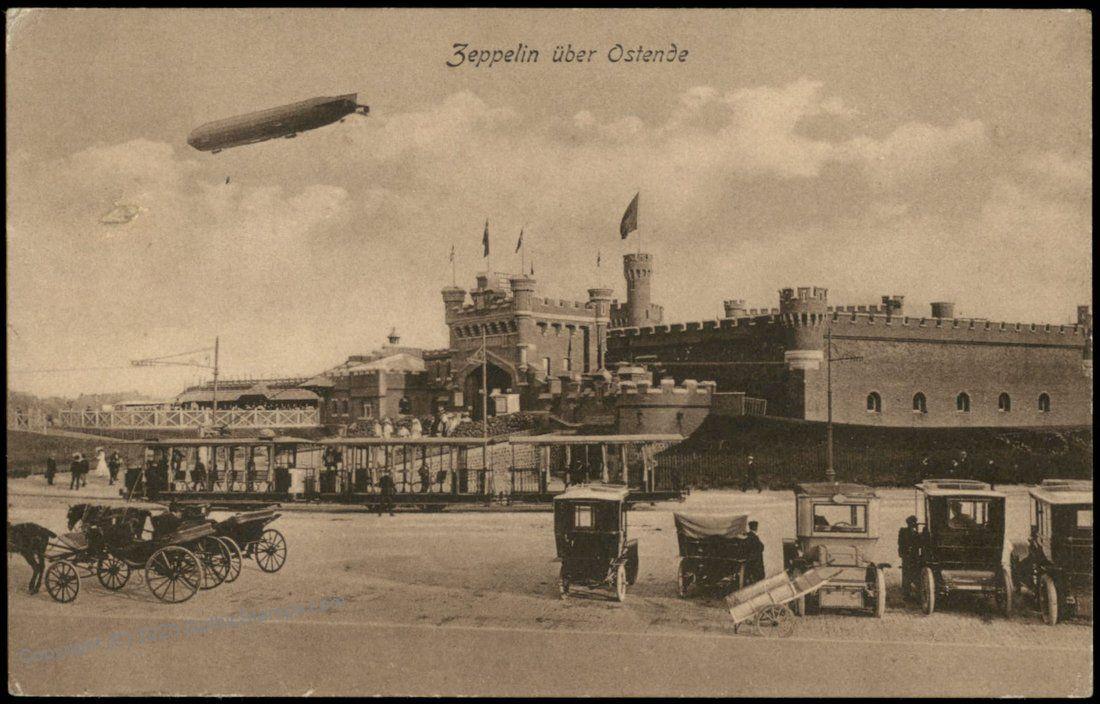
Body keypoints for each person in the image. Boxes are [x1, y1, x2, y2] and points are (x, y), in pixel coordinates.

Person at [897, 515, 922, 601]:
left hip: (914, 556)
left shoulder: (916, 534)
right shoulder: (903, 531)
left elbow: (919, 544)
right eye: (911, 522)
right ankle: (906, 594)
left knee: (915, 573)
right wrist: (901, 553)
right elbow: (900, 542)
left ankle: (916, 593)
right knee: (906, 574)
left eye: (914, 523)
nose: (913, 524)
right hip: (907, 555)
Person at [744, 521, 765, 585]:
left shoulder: (748, 536)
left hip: (753, 562)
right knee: (757, 581)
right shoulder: (754, 537)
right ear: (755, 527)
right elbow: (761, 547)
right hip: (756, 563)